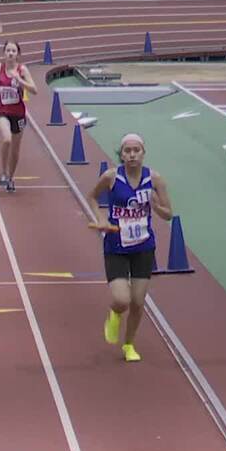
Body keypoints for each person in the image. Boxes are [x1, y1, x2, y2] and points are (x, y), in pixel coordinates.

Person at [86, 134, 173, 363]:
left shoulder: (155, 179)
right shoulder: (111, 177)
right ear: (121, 154)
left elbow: (168, 214)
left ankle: (129, 344)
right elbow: (93, 197)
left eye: (136, 150)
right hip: (116, 246)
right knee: (122, 300)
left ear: (143, 153)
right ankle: (114, 314)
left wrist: (155, 205)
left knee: (137, 301)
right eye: (127, 151)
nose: (132, 155)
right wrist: (101, 219)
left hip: (144, 247)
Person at [0, 41, 37, 193]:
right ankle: (4, 173)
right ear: (4, 53)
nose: (10, 53)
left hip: (18, 114)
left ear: (18, 54)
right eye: (8, 50)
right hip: (2, 111)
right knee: (7, 139)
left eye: (13, 51)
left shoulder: (22, 69)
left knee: (16, 149)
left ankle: (10, 177)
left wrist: (20, 80)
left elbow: (34, 90)